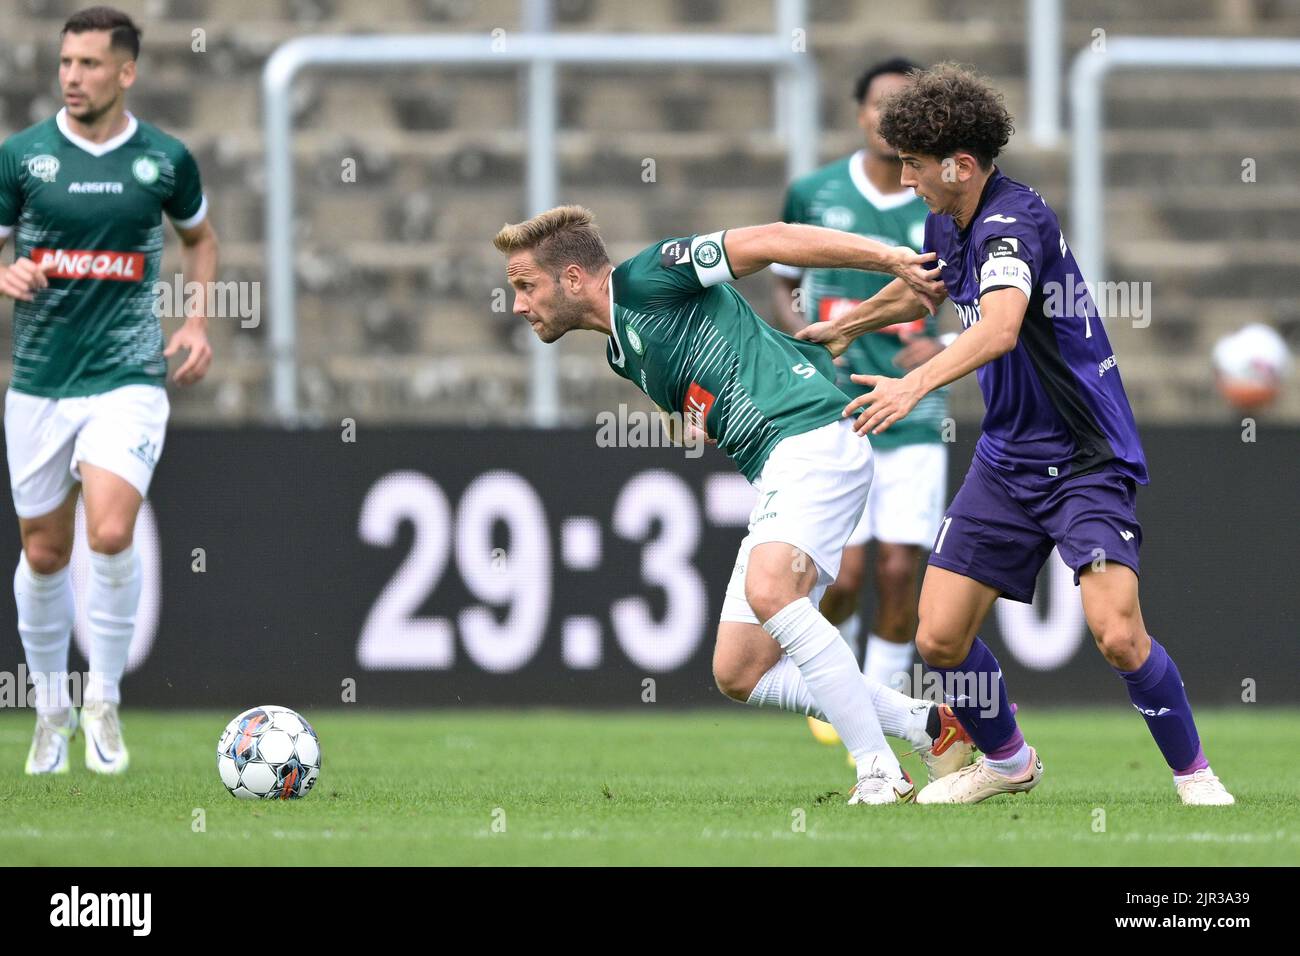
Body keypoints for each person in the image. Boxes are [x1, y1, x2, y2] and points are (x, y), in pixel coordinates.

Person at [798, 63, 1234, 805]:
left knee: (1118, 635)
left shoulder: (1013, 222)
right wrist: (847, 329)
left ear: (960, 166)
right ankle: (1007, 760)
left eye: (914, 164)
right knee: (937, 638)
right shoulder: (950, 218)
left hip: (1081, 453)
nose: (906, 178)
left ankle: (1196, 777)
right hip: (1006, 457)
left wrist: (914, 382)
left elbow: (999, 327)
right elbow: (924, 285)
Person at [493, 205, 971, 804]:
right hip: (782, 464)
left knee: (773, 593)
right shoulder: (621, 351)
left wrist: (888, 257)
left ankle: (878, 769)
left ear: (570, 278)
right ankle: (928, 727)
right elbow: (716, 385)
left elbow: (772, 240)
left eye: (524, 285)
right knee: (739, 670)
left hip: (812, 439)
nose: (516, 304)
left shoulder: (650, 275)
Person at [0, 6, 217, 774]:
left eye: (90, 64)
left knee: (112, 532)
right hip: (39, 382)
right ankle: (51, 712)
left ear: (127, 71)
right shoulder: (23, 157)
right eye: (65, 63)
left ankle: (104, 702)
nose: (72, 78)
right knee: (44, 549)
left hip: (127, 376)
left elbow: (200, 237)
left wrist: (195, 322)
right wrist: (6, 272)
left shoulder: (163, 160)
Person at [772, 58, 952, 746]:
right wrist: (804, 338)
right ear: (859, 114)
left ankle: (878, 722)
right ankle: (841, 682)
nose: (889, 117)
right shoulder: (814, 194)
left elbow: (984, 297)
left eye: (905, 106)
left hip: (912, 413)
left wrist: (943, 348)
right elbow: (783, 280)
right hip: (833, 410)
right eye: (880, 104)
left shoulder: (936, 200)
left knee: (900, 570)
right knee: (843, 576)